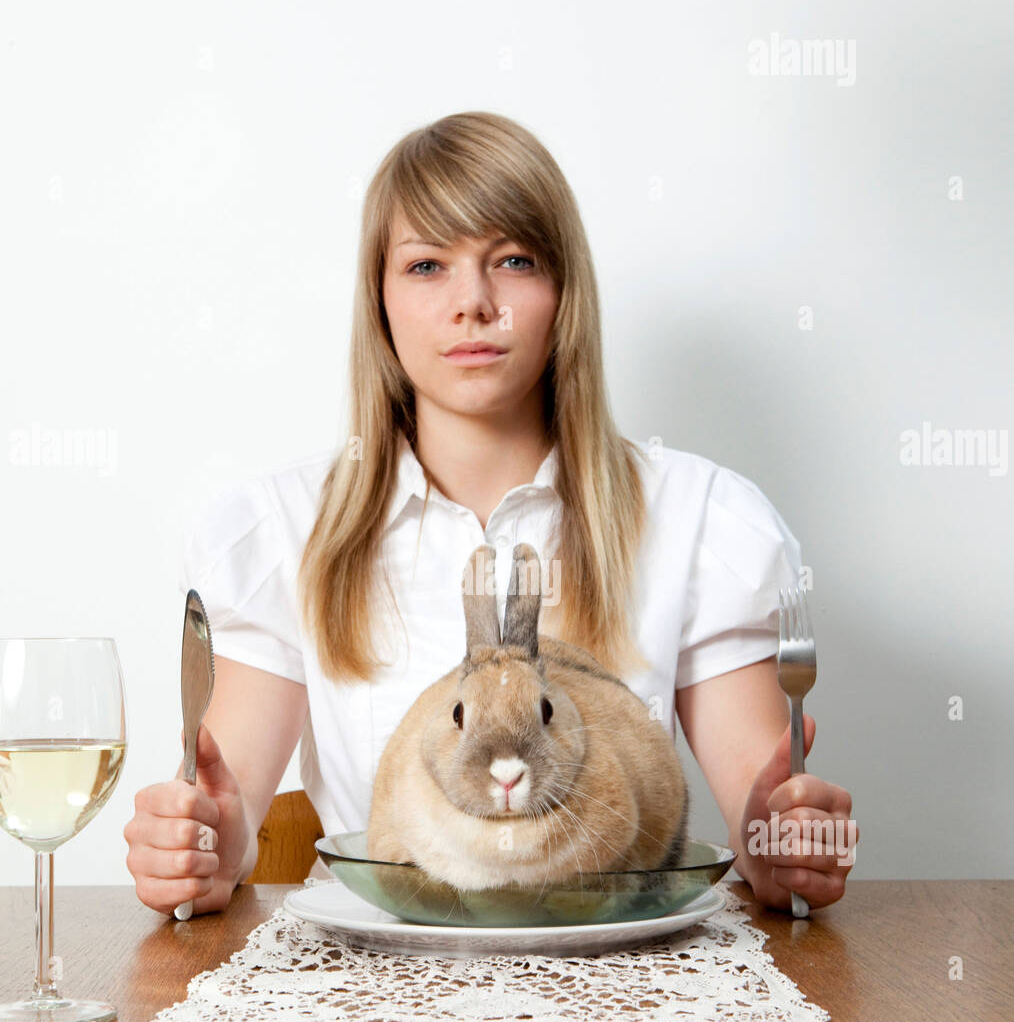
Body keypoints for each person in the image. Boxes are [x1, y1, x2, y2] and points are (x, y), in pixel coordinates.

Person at [124, 111, 858, 918]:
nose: (473, 303)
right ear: (380, 301)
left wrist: (782, 843)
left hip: (618, 1000)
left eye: (512, 260)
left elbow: (761, 823)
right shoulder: (284, 526)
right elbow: (228, 827)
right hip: (376, 1007)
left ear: (563, 291)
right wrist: (204, 846)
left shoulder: (700, 516)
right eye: (427, 265)